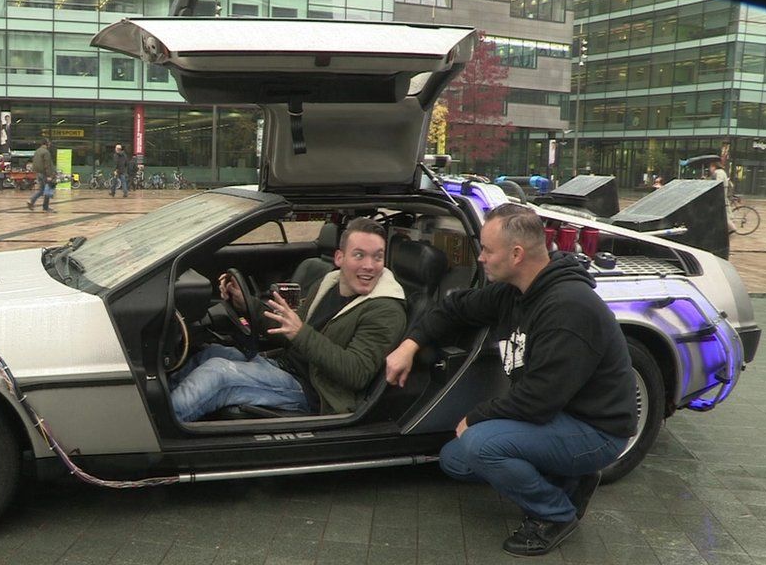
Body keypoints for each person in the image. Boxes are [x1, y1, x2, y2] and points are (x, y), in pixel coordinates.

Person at [384, 204, 637, 557]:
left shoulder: (569, 308)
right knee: (455, 460)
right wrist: (409, 346)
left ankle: (556, 514)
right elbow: (454, 307)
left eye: (487, 250)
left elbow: (538, 400)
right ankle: (569, 478)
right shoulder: (514, 292)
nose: (481, 258)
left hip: (596, 430)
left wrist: (474, 418)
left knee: (481, 444)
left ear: (516, 254)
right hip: (553, 417)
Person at [169, 218, 407, 422]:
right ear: (339, 258)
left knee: (217, 372)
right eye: (359, 255)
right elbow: (288, 328)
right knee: (212, 353)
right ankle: (160, 402)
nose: (369, 266)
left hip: (314, 391)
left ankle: (161, 425)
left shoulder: (386, 309)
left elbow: (357, 373)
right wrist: (246, 303)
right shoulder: (330, 284)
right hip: (284, 365)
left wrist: (301, 333)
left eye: (377, 257)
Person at [27, 138, 56, 212]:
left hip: (38, 173)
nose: (49, 144)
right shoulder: (46, 152)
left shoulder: (37, 151)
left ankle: (31, 201)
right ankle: (45, 208)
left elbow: (35, 163)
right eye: (49, 142)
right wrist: (49, 175)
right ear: (46, 143)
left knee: (42, 190)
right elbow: (47, 165)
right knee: (47, 190)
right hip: (45, 174)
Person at [710, 162, 736, 234]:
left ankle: (732, 228)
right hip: (722, 196)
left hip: (720, 196)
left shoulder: (718, 172)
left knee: (721, 213)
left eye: (710, 167)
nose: (710, 169)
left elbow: (718, 183)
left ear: (714, 166)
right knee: (724, 213)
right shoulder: (721, 172)